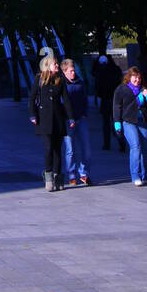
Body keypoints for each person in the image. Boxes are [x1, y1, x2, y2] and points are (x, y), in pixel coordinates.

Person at [28, 51, 74, 192]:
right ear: (47, 66)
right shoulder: (39, 79)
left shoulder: (60, 80)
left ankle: (58, 177)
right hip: (44, 119)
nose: (57, 66)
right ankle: (48, 177)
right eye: (55, 64)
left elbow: (66, 100)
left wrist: (71, 117)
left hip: (58, 119)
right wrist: (33, 115)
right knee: (48, 149)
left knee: (57, 151)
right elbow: (32, 98)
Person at [112, 65, 147, 186]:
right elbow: (117, 106)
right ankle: (135, 175)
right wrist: (117, 123)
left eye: (139, 78)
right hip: (128, 121)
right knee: (136, 146)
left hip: (143, 121)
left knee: (144, 149)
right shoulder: (122, 89)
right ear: (129, 77)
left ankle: (145, 174)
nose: (137, 80)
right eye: (134, 77)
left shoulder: (144, 89)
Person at [60, 58, 91, 186]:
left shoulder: (80, 82)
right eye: (71, 71)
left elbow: (85, 99)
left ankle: (83, 173)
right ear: (64, 71)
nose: (73, 73)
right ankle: (72, 174)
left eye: (74, 70)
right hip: (68, 120)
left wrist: (84, 113)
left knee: (87, 149)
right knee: (70, 149)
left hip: (80, 118)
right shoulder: (62, 84)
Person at [93, 54, 124, 151]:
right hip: (116, 99)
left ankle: (107, 144)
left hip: (105, 99)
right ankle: (121, 142)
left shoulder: (100, 72)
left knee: (106, 123)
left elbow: (97, 85)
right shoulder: (116, 70)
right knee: (117, 121)